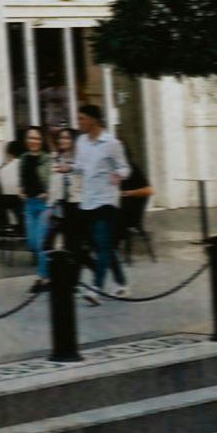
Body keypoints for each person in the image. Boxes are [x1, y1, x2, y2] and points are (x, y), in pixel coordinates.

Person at [72, 104, 130, 302]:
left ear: (93, 120)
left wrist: (118, 174)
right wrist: (67, 168)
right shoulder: (81, 142)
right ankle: (121, 283)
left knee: (103, 243)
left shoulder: (111, 143)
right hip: (88, 200)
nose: (78, 123)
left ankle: (96, 288)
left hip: (107, 200)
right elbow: (79, 167)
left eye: (82, 119)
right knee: (102, 245)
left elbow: (124, 167)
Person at [4, 124, 53, 289]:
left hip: (43, 205)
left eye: (37, 138)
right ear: (26, 140)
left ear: (42, 140)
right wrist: (20, 190)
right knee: (32, 243)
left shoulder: (47, 159)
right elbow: (22, 179)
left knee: (40, 243)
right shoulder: (23, 158)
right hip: (29, 204)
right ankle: (48, 272)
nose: (34, 141)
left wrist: (47, 192)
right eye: (30, 137)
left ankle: (43, 278)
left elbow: (53, 181)